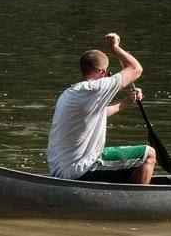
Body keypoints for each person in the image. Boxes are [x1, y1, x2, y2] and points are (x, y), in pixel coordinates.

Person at [47, 32, 154, 184]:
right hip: (81, 169)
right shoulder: (95, 88)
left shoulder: (70, 93)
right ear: (103, 72)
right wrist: (114, 47)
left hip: (59, 171)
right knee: (148, 154)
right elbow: (136, 69)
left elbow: (100, 113)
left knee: (127, 161)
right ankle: (138, 204)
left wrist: (127, 101)